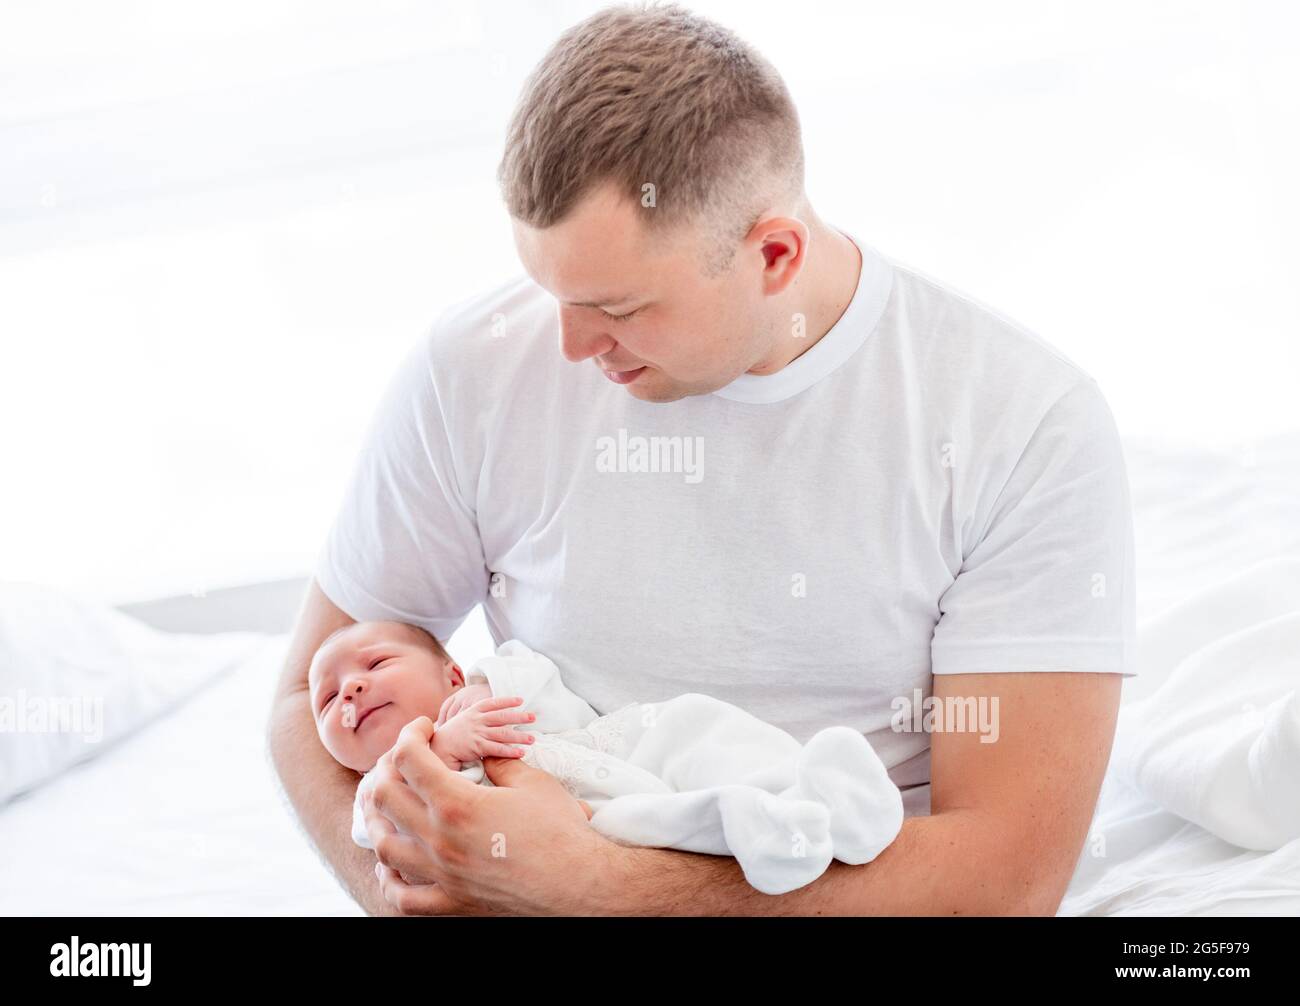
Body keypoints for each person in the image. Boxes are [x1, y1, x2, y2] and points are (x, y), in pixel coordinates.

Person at [268, 2, 1136, 916]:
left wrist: (593, 888)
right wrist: (419, 884)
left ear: (773, 254)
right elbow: (301, 696)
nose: (567, 346)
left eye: (619, 306)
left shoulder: (1024, 425)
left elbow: (1006, 878)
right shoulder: (474, 366)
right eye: (546, 287)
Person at [308, 620, 904, 896]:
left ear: (454, 671)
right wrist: (437, 749)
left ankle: (819, 796)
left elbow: (532, 678)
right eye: (329, 698)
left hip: (621, 747)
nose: (352, 690)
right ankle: (770, 832)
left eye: (376, 665)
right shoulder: (376, 790)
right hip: (596, 821)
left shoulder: (491, 685)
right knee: (664, 824)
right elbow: (384, 837)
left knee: (694, 723)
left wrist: (479, 698)